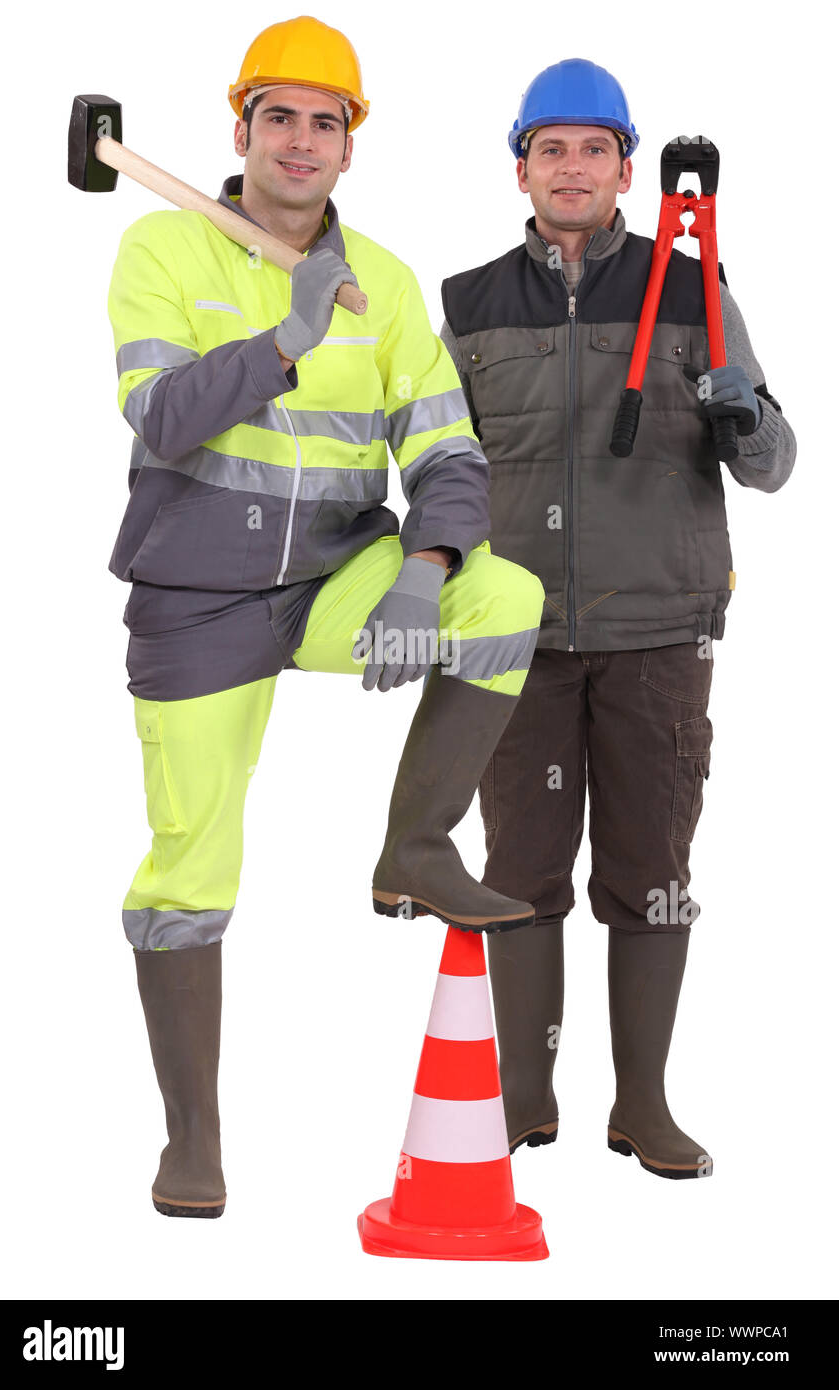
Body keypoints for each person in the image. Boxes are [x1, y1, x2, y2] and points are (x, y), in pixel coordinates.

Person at [108, 16, 545, 1217]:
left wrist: (427, 564)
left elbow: (446, 449)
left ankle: (411, 848)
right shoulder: (162, 246)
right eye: (279, 116)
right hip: (198, 600)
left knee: (504, 590)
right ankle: (190, 1137)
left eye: (326, 121)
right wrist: (288, 334)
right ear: (239, 129)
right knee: (189, 863)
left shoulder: (389, 283)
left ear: (350, 148)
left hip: (337, 581)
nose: (301, 141)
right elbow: (160, 419)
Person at [440, 58, 796, 1179]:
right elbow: (439, 466)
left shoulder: (692, 292)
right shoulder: (469, 303)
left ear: (627, 170)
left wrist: (739, 419)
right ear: (520, 168)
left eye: (594, 148)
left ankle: (641, 1104)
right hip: (517, 636)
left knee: (651, 871)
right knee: (517, 872)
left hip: (656, 635)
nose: (572, 166)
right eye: (551, 148)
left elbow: (774, 465)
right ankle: (522, 1095)